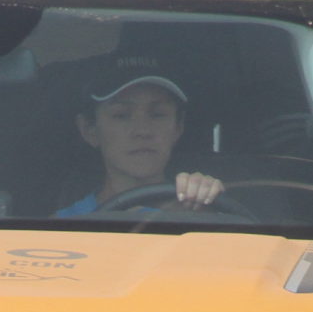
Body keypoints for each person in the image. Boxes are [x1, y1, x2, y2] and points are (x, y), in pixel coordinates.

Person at [56, 58, 224, 216]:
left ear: (178, 128)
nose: (143, 131)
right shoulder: (58, 228)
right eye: (121, 115)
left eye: (158, 115)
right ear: (89, 130)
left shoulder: (200, 211)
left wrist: (205, 210)